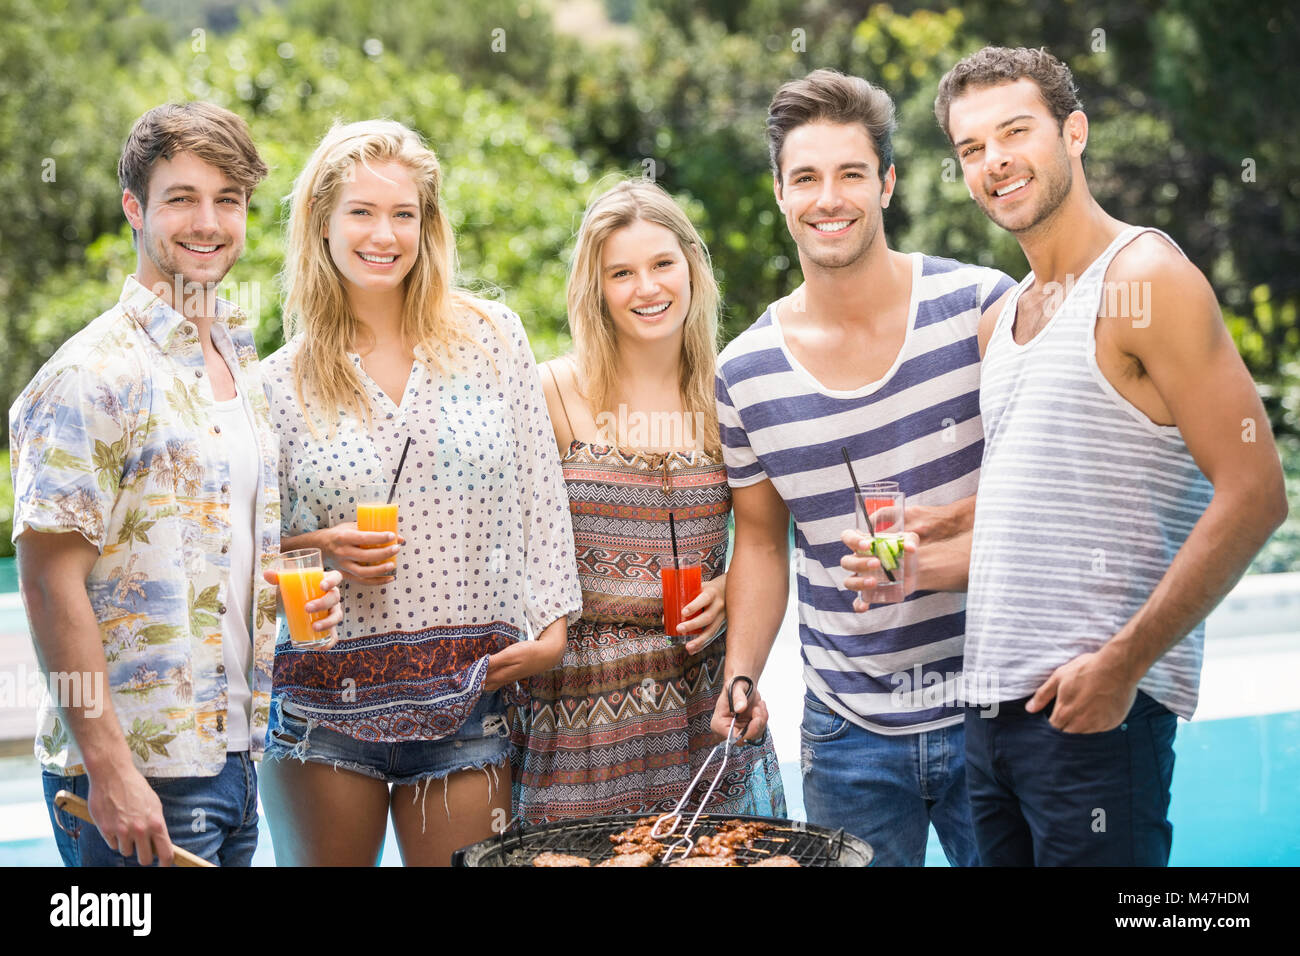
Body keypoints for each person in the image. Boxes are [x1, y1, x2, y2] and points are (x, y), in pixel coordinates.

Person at [914, 46, 1289, 865]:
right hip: (990, 710)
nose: (994, 162)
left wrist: (1124, 666)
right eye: (971, 149)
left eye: (1015, 132)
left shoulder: (1146, 278)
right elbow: (1074, 477)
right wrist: (955, 520)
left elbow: (1256, 492)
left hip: (1093, 716)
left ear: (1073, 132)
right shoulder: (1005, 318)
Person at [11, 102, 343, 867]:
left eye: (228, 200)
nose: (209, 222)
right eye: (182, 198)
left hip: (234, 759)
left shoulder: (241, 362)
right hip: (138, 778)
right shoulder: (90, 376)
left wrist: (298, 588)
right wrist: (110, 769)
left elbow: (211, 547)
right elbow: (47, 584)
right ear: (134, 207)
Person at [712, 70, 1015, 866]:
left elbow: (1039, 498)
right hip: (848, 735)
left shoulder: (981, 308)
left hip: (997, 711)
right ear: (780, 194)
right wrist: (741, 674)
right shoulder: (744, 372)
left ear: (886, 183)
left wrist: (936, 557)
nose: (829, 198)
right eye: (805, 178)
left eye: (851, 173)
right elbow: (762, 546)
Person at [258, 120, 581, 866]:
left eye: (404, 213)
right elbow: (244, 549)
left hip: (470, 697)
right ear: (322, 224)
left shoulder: (491, 337)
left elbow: (540, 494)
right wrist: (319, 548)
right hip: (322, 710)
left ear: (427, 225)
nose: (385, 234)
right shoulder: (278, 382)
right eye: (362, 213)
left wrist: (553, 627)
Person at [512, 179, 786, 822]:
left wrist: (726, 587)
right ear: (596, 290)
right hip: (574, 712)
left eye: (663, 263)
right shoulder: (551, 391)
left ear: (691, 267)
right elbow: (500, 542)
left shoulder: (731, 397)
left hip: (698, 702)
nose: (648, 287)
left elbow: (766, 544)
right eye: (622, 273)